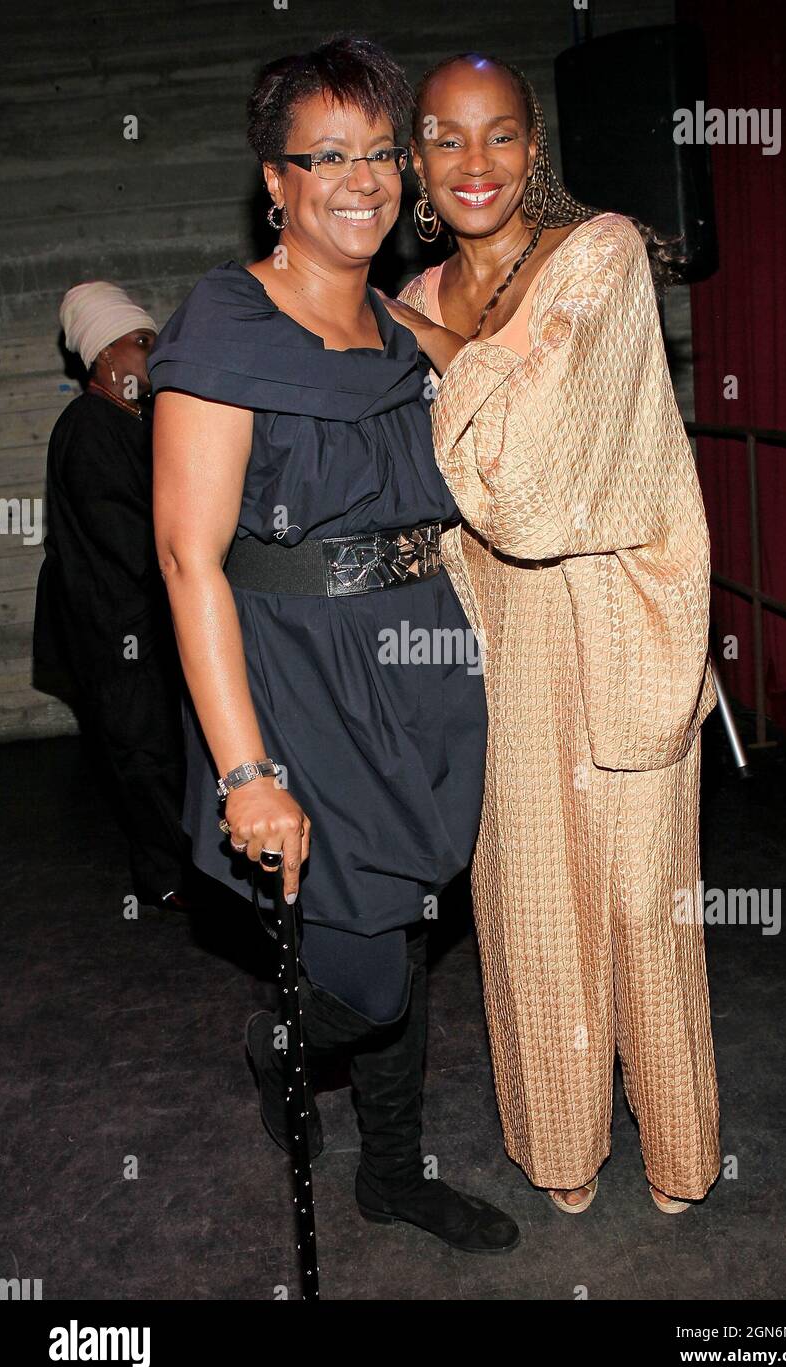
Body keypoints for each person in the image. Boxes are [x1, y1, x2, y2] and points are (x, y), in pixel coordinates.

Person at [148, 37, 519, 1254]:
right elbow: (187, 559)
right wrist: (248, 772)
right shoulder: (226, 319)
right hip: (297, 678)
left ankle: (394, 1170)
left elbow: (502, 403)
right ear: (275, 179)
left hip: (421, 665)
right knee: (359, 971)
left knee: (407, 927)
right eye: (325, 156)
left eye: (376, 152)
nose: (358, 179)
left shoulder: (400, 323)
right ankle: (280, 1042)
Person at [397, 53, 720, 1214]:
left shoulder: (602, 253)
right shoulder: (416, 295)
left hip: (621, 621)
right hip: (496, 642)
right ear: (417, 163)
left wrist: (433, 360)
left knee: (644, 907)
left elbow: (528, 478)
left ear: (534, 150)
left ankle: (681, 1153)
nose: (472, 162)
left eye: (497, 136)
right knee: (531, 919)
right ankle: (562, 1148)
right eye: (444, 139)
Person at [33, 282, 189, 911]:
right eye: (143, 342)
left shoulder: (133, 420)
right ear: (104, 356)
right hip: (114, 629)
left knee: (157, 747)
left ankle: (173, 869)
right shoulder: (93, 427)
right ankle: (168, 877)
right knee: (143, 751)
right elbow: (127, 538)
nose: (157, 352)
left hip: (133, 623)